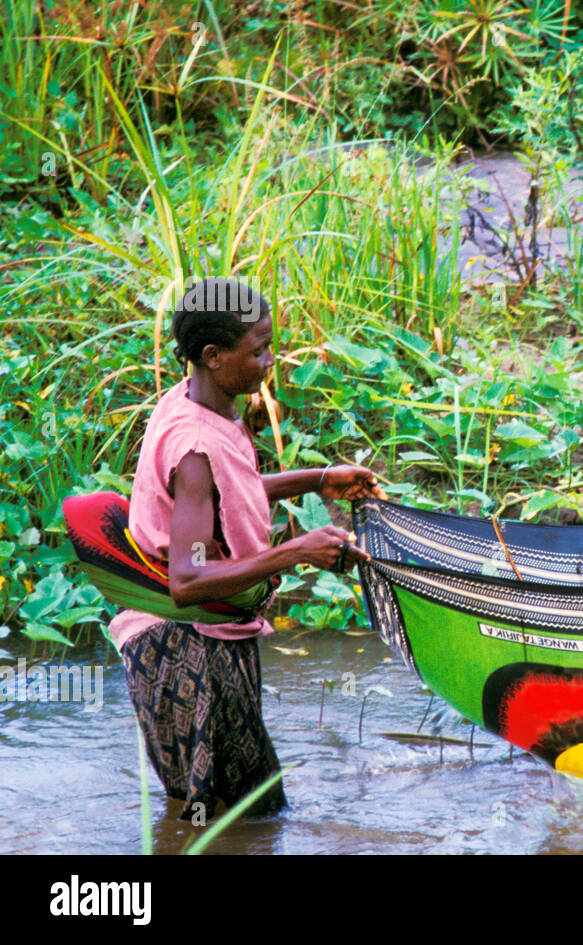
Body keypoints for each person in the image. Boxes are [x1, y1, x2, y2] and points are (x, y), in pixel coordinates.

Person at [107, 276, 385, 820]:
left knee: (215, 817)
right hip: (185, 651)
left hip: (200, 642)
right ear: (214, 355)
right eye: (258, 350)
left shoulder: (193, 402)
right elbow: (186, 581)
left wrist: (317, 478)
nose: (269, 361)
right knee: (247, 818)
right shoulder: (195, 448)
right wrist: (295, 551)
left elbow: (223, 495)